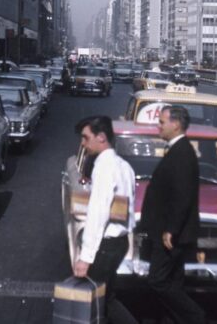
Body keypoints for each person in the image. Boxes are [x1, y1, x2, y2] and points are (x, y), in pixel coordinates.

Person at [138, 105, 208, 323]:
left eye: (161, 122)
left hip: (168, 234)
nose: (158, 126)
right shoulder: (178, 150)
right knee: (174, 281)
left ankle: (196, 317)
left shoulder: (182, 153)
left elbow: (182, 195)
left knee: (157, 280)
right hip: (168, 230)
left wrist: (171, 229)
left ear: (175, 124)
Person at [73, 116, 138, 324]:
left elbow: (98, 212)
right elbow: (126, 210)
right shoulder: (124, 166)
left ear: (101, 137)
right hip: (118, 242)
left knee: (97, 301)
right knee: (105, 299)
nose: (83, 143)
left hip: (104, 245)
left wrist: (86, 256)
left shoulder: (104, 167)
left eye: (85, 137)